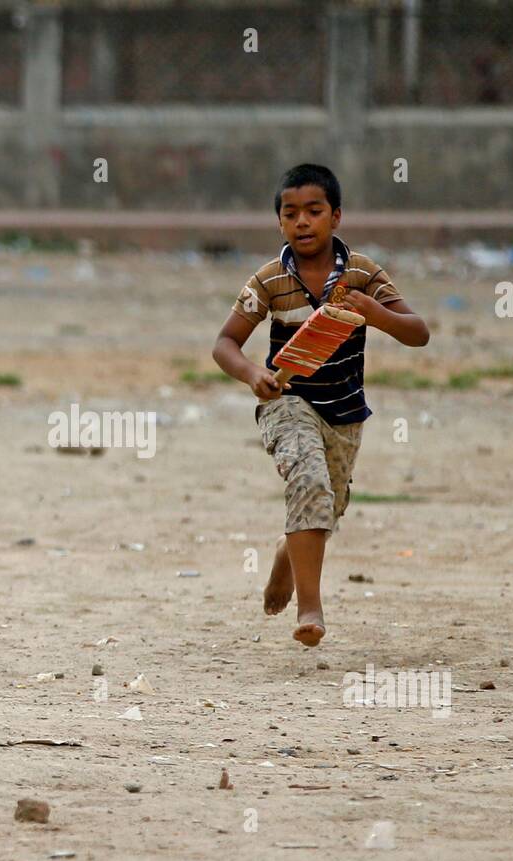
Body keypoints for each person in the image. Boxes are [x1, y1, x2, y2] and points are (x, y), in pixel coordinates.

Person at [212, 164, 430, 647]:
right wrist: (253, 374)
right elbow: (225, 343)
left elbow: (419, 333)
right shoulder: (269, 280)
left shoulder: (362, 273)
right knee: (308, 483)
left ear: (336, 216)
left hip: (345, 413)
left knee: (326, 506)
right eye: (291, 214)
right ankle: (311, 608)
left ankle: (286, 560)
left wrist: (375, 314)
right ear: (280, 223)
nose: (303, 222)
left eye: (314, 212)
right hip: (287, 403)